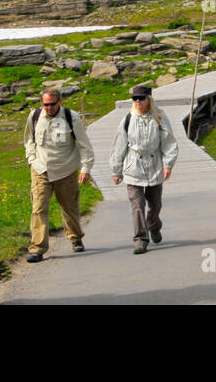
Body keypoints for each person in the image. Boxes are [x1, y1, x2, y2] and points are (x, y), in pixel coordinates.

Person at [24, 87, 95, 263]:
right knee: (39, 208)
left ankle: (75, 237)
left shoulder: (71, 118)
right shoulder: (34, 117)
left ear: (59, 102)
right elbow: (28, 140)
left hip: (66, 170)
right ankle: (38, 248)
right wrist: (31, 159)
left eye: (52, 104)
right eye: (45, 104)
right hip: (40, 169)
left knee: (69, 207)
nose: (48, 108)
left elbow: (84, 145)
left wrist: (85, 169)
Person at [111, 84, 180, 255]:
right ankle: (141, 239)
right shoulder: (128, 119)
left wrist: (167, 164)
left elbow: (169, 142)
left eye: (141, 98)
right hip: (133, 166)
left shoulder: (160, 118)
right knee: (137, 205)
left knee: (155, 205)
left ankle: (154, 226)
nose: (138, 102)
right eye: (135, 98)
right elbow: (119, 145)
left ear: (149, 99)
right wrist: (116, 170)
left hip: (154, 164)